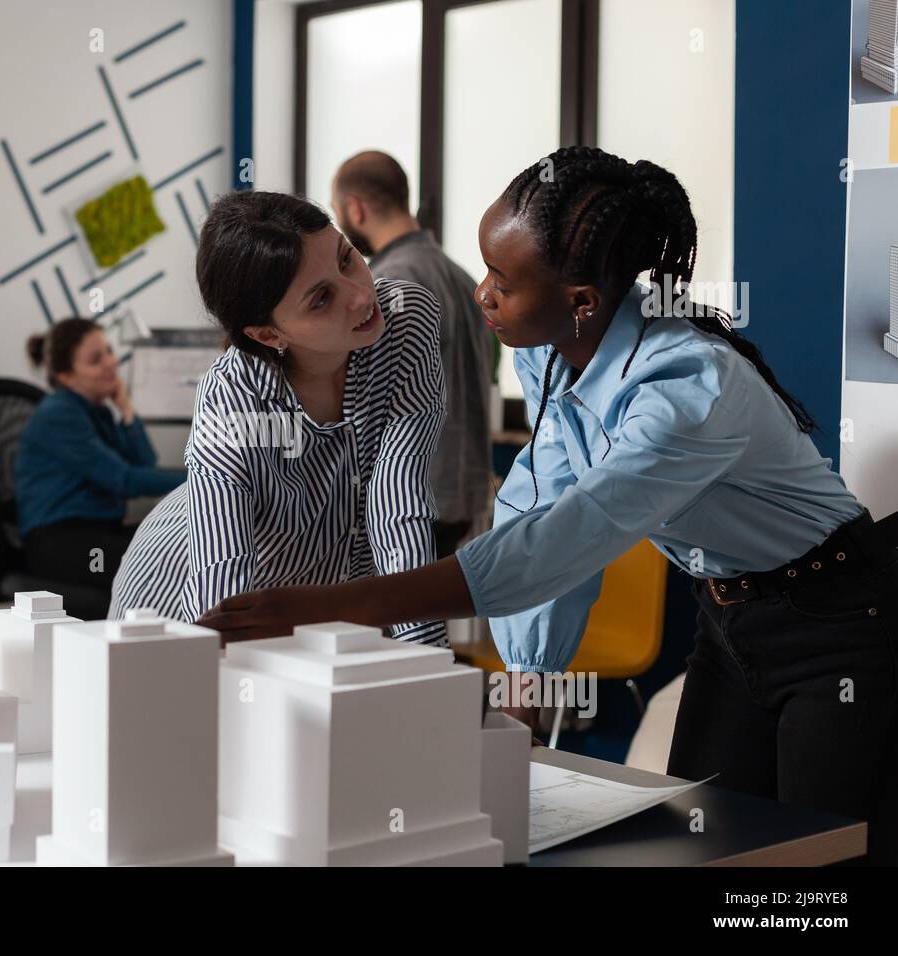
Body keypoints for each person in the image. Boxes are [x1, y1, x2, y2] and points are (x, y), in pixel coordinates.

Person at [200, 147, 898, 864]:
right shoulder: (547, 346)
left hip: (838, 620)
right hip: (729, 618)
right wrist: (526, 689)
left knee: (819, 864)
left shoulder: (686, 394)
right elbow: (541, 494)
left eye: (502, 280)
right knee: (708, 845)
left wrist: (326, 607)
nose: (481, 295)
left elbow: (568, 537)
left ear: (582, 300)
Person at [109, 190, 448, 644]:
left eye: (347, 259)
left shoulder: (406, 322)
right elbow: (222, 590)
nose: (360, 295)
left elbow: (398, 502)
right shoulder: (232, 397)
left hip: (323, 605)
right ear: (269, 333)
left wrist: (426, 661)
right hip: (176, 595)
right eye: (321, 299)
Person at [333, 150, 495, 557]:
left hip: (409, 499)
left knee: (375, 620)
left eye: (337, 212)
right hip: (461, 495)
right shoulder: (462, 278)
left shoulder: (387, 284)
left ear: (355, 208)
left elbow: (368, 400)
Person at [14, 318, 184, 616]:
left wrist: (126, 409)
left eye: (108, 351)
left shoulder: (98, 410)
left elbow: (145, 463)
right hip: (60, 542)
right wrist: (200, 479)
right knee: (156, 564)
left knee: (173, 544)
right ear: (66, 376)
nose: (110, 362)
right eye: (95, 359)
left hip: (97, 533)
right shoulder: (60, 414)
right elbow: (125, 481)